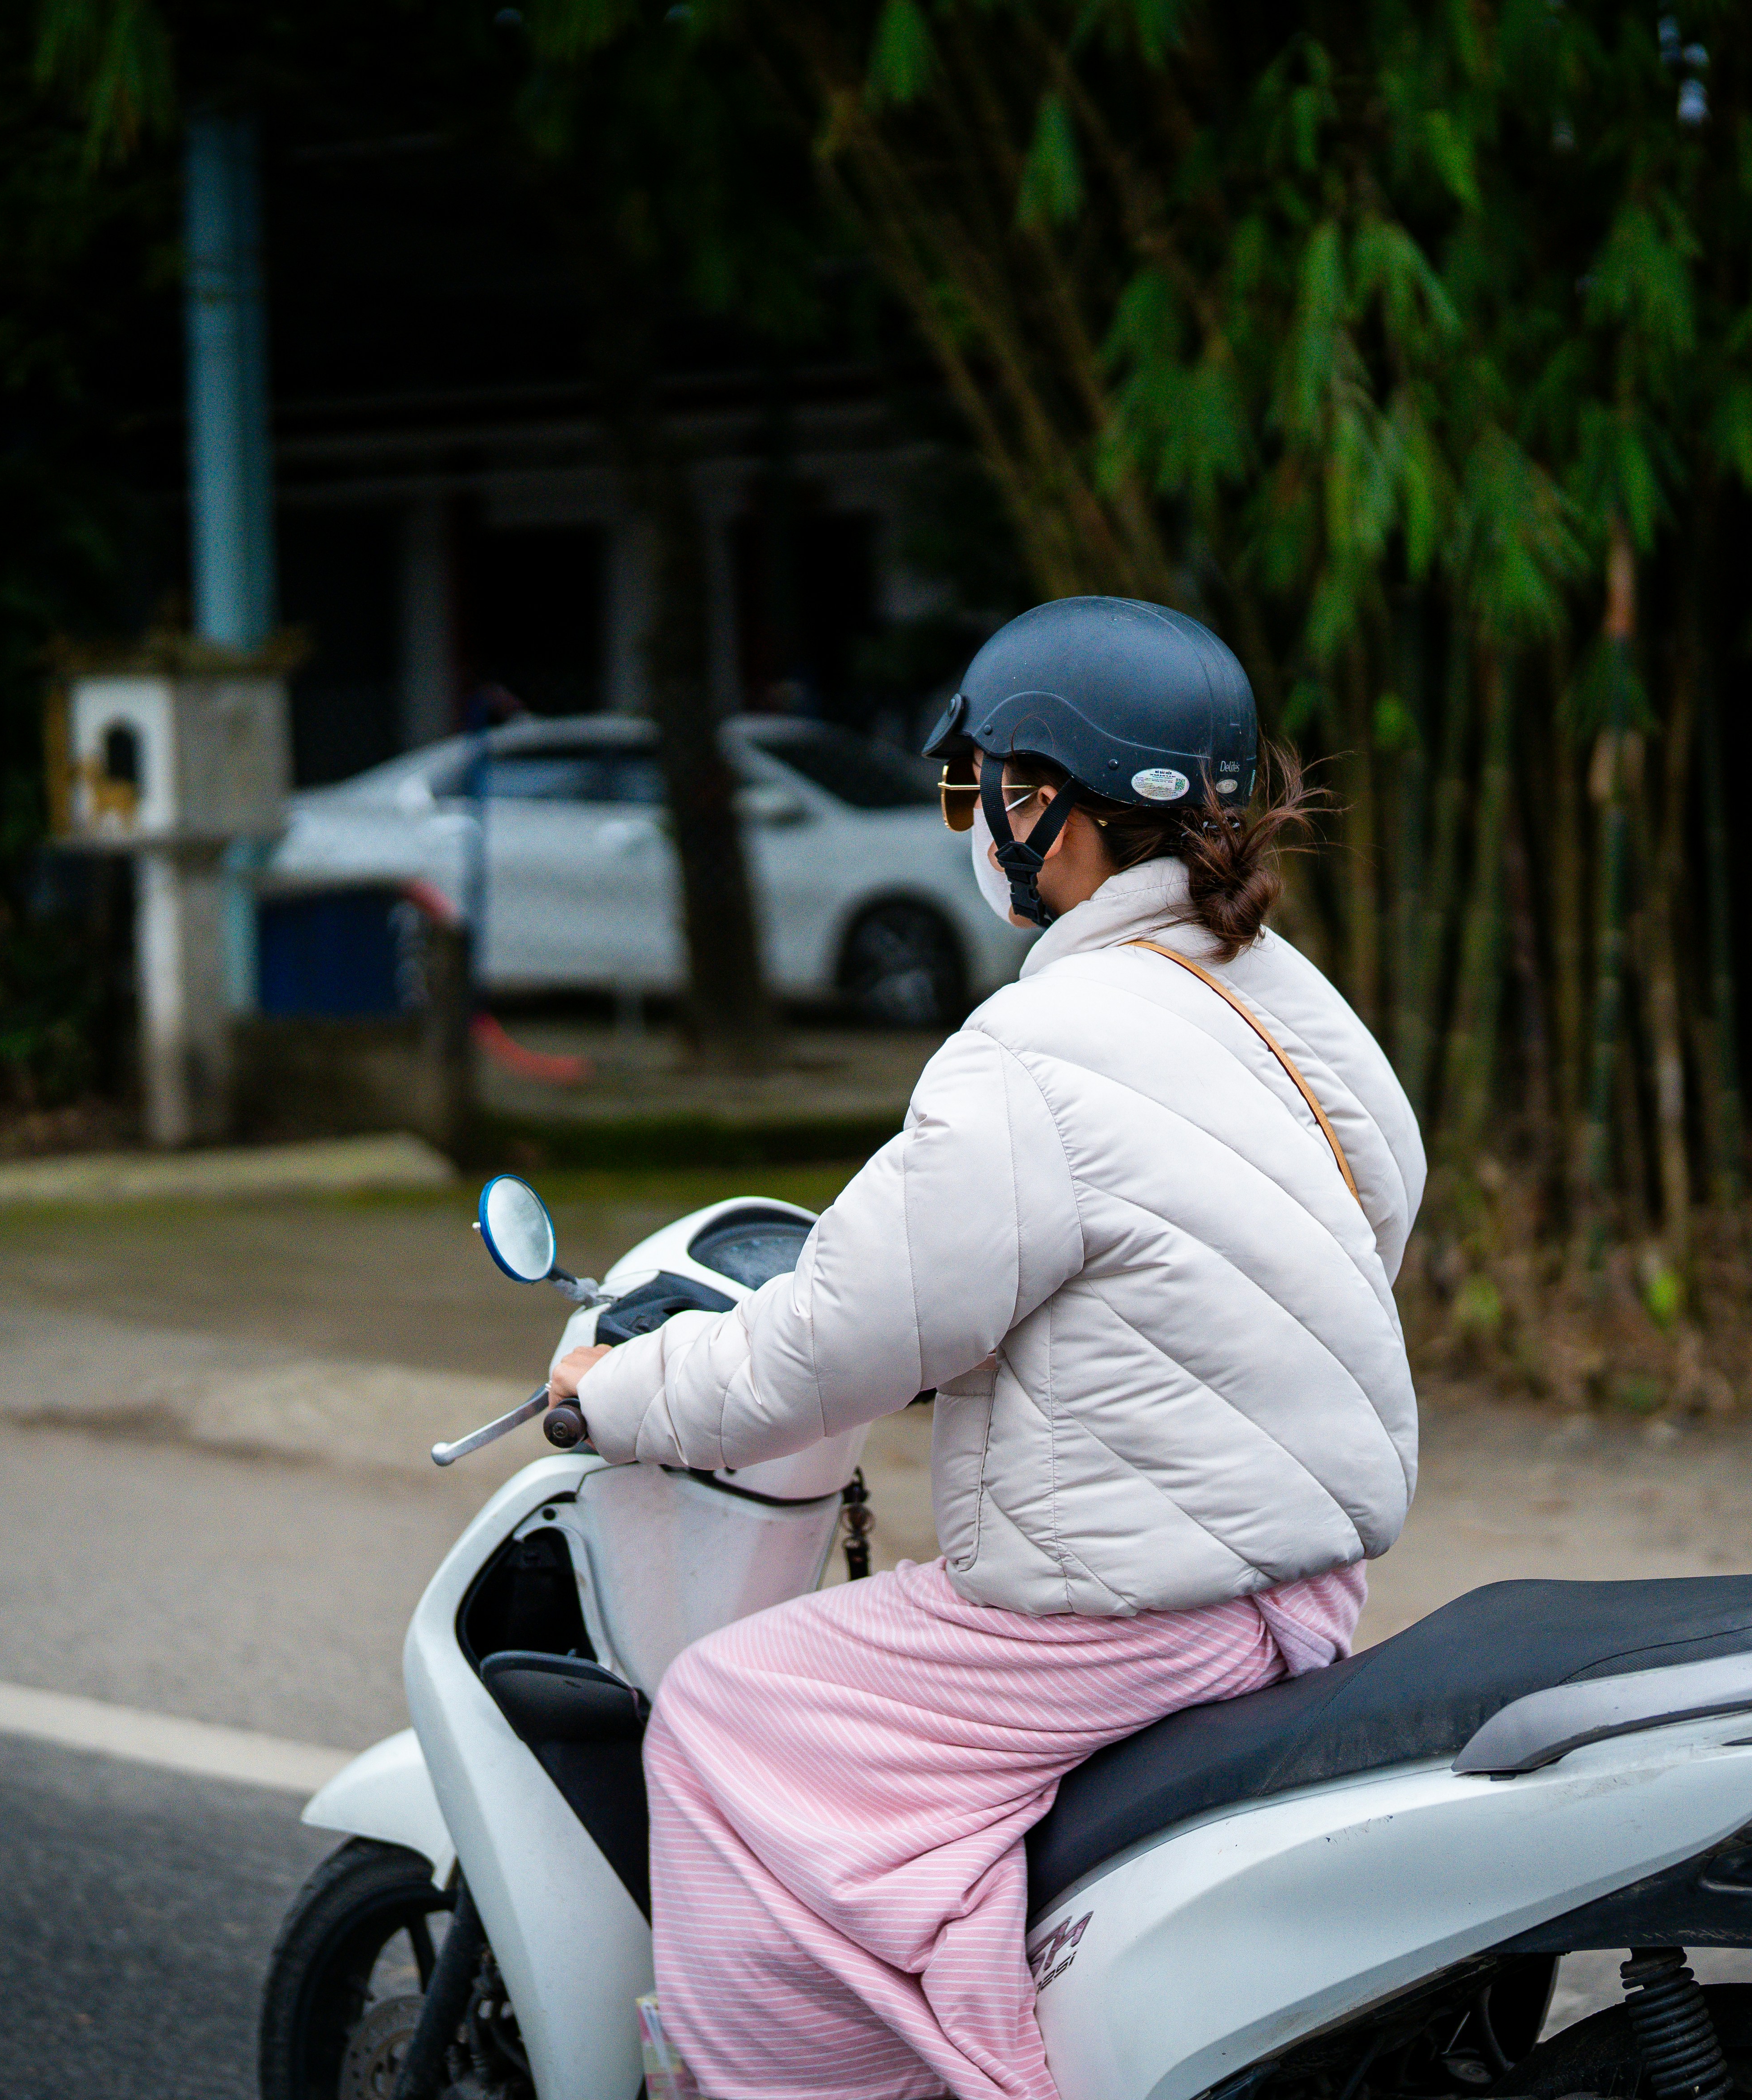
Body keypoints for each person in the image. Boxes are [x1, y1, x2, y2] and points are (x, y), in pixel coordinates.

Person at [547, 596, 1426, 2100]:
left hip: (1119, 1613)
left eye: (978, 789)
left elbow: (810, 1359)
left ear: (1047, 810)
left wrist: (605, 1400)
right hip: (1303, 1588)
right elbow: (1351, 1228)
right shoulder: (1296, 1012)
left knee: (717, 1714)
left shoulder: (1035, 1054)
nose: (973, 824)